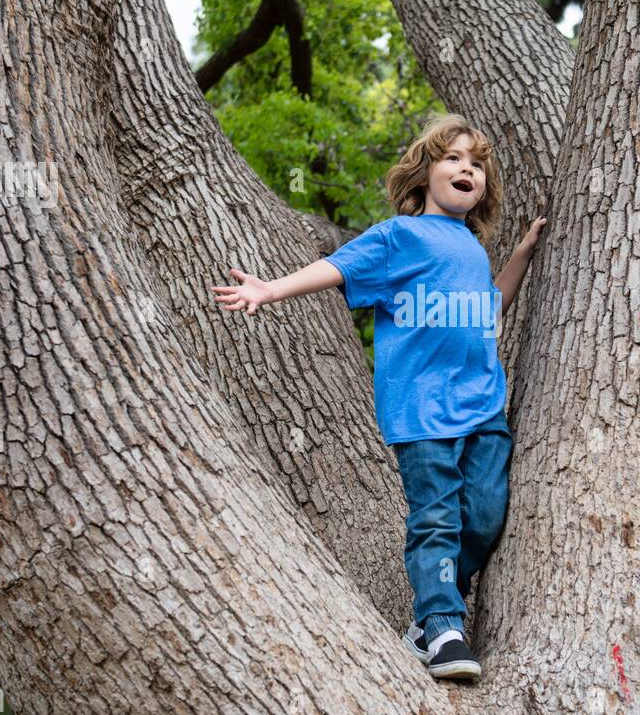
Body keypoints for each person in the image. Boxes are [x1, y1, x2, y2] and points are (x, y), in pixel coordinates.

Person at [209, 113, 547, 681]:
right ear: (423, 175)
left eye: (477, 164)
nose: (467, 169)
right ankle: (440, 626)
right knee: (436, 518)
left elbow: (489, 310)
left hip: (483, 404)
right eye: (453, 158)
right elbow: (337, 266)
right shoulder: (400, 236)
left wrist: (522, 255)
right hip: (421, 411)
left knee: (485, 518)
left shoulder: (469, 246)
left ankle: (432, 605)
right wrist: (271, 288)